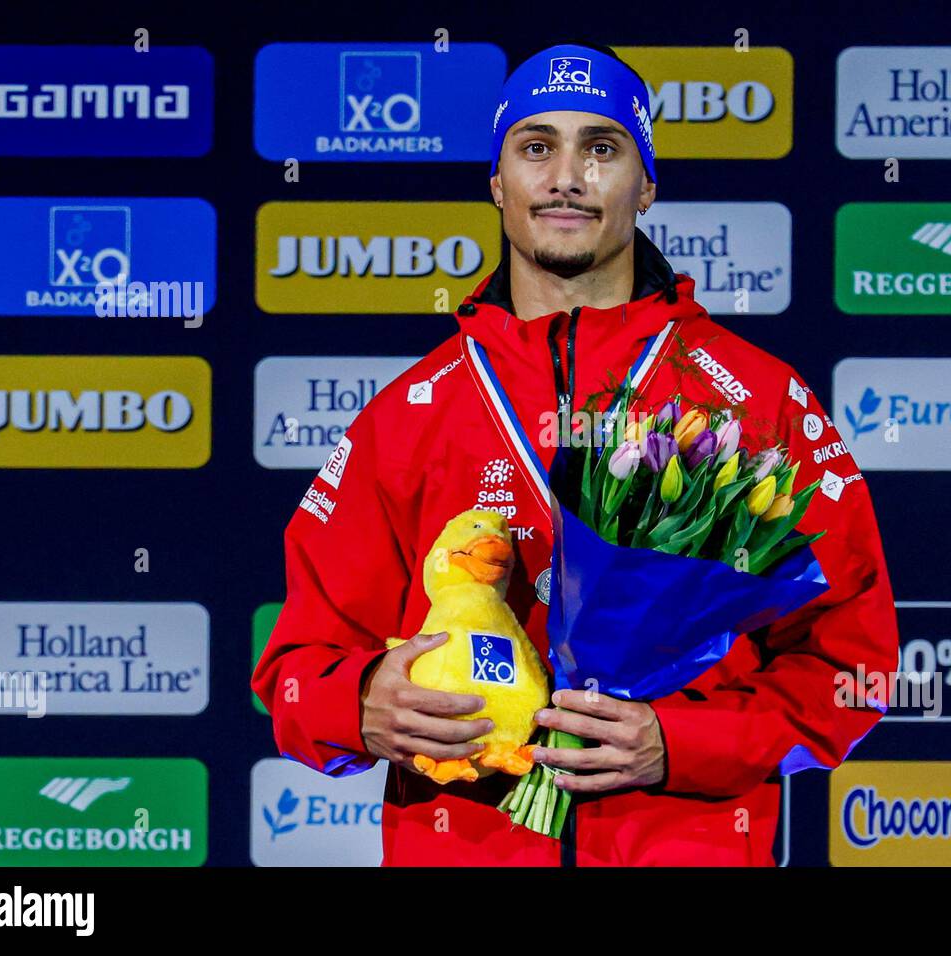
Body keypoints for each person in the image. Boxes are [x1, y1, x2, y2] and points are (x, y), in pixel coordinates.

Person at [252, 42, 899, 866]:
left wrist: (683, 741)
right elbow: (297, 672)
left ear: (647, 182)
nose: (566, 176)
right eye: (535, 148)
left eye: (601, 148)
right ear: (497, 183)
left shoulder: (757, 400)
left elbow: (855, 667)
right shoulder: (407, 415)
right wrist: (360, 705)